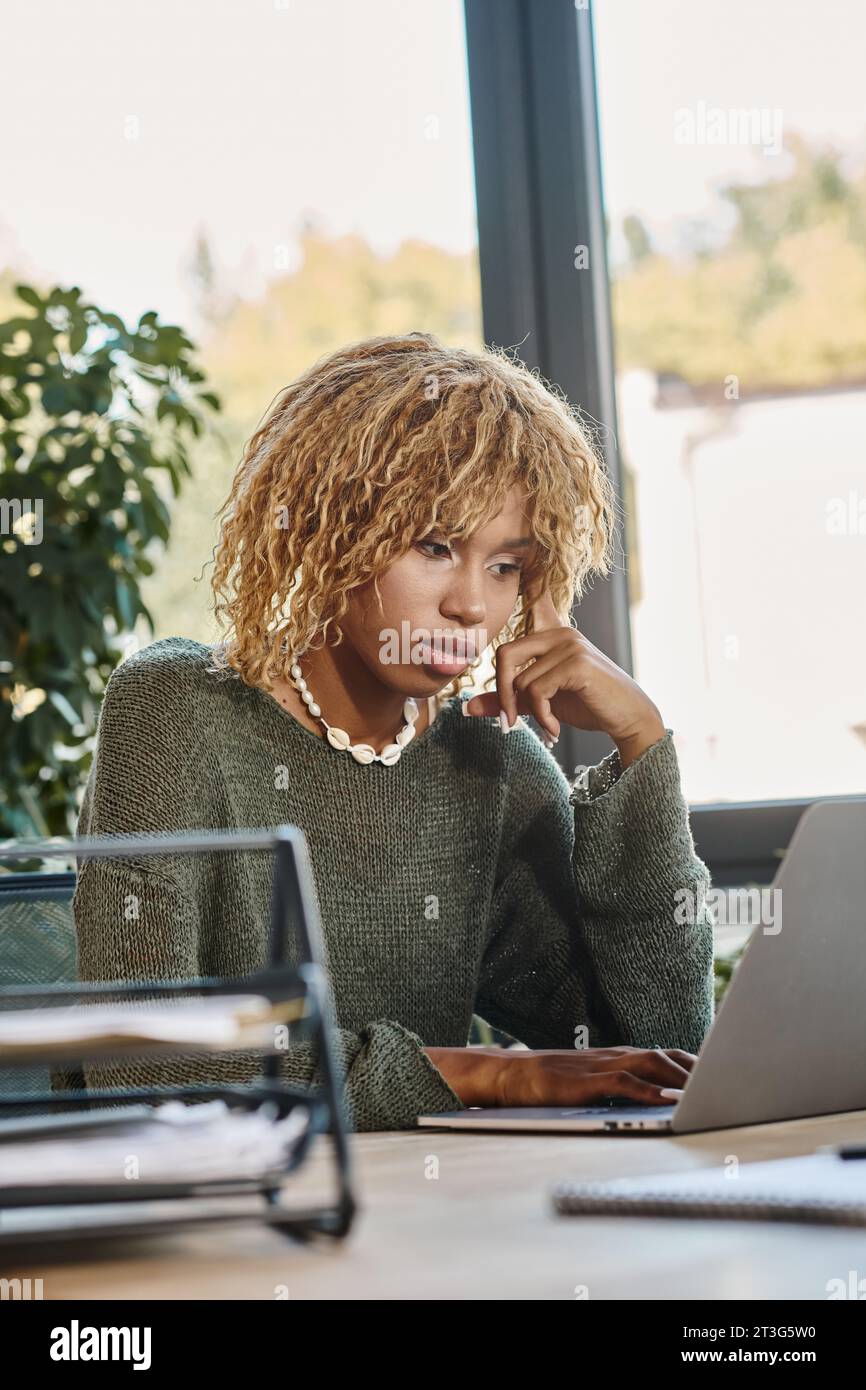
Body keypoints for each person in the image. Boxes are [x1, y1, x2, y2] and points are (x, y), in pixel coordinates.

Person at [65, 331, 715, 1130]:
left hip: (422, 1197)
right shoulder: (176, 707)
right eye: (435, 547)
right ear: (329, 528)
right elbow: (141, 1062)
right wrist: (486, 1073)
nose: (470, 605)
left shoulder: (490, 764)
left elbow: (657, 1055)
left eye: (506, 566)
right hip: (209, 1202)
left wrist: (641, 741)